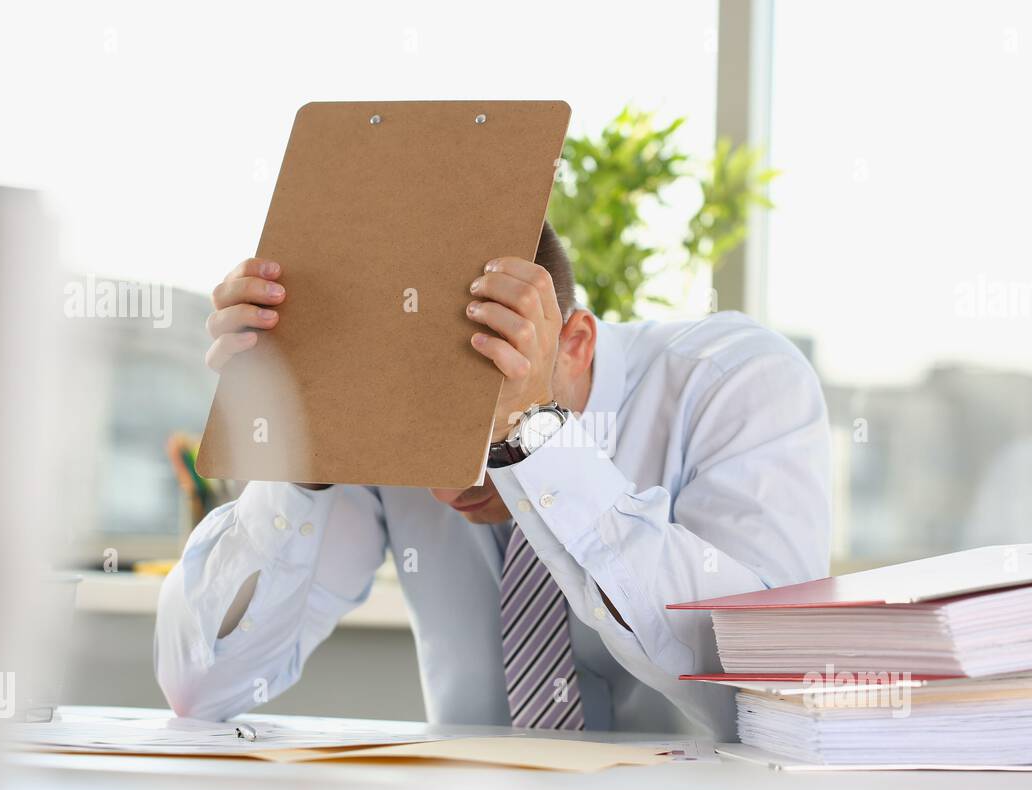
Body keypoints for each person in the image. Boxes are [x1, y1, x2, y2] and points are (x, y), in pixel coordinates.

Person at [155, 223, 830, 738]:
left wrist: (534, 441)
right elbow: (202, 688)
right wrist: (302, 461)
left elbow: (765, 692)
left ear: (576, 343)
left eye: (483, 421)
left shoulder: (734, 384)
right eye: (428, 438)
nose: (449, 485)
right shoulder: (388, 411)